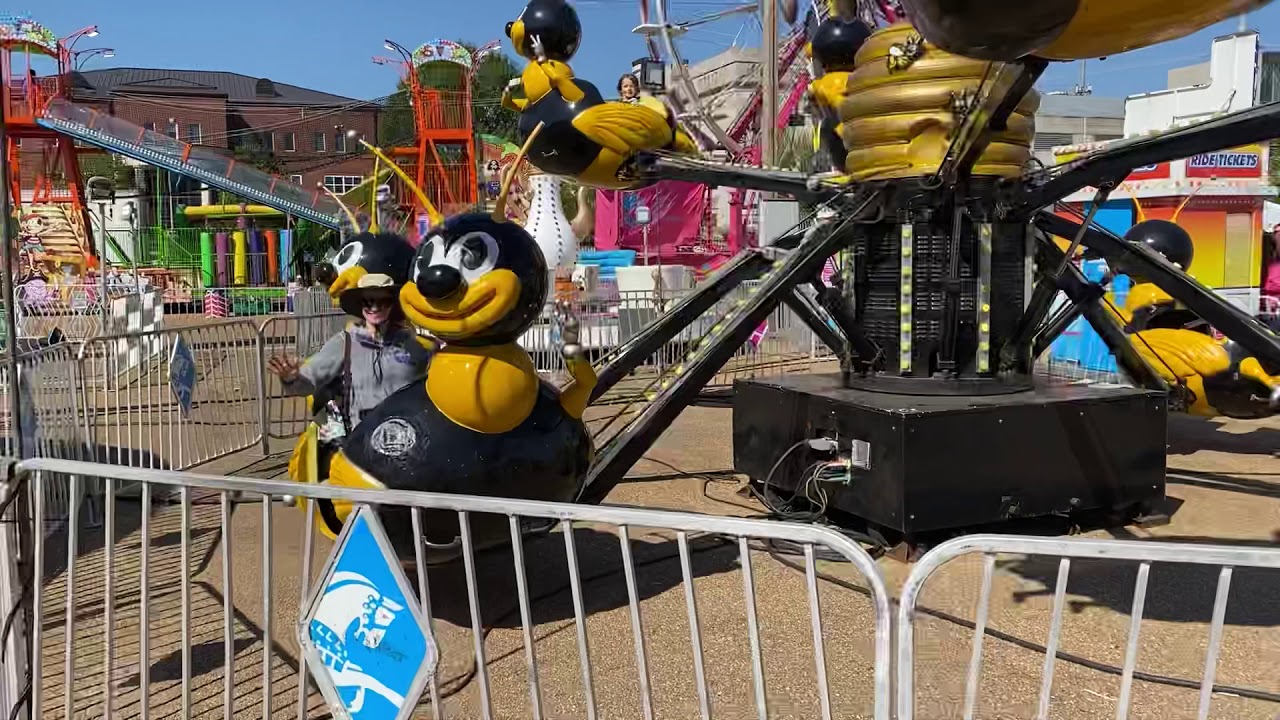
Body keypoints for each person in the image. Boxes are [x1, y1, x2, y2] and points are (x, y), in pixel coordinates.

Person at [268, 271, 433, 470]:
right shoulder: (344, 342)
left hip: (405, 445)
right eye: (368, 302)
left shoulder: (412, 345)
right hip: (359, 444)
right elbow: (308, 383)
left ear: (393, 304)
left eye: (383, 302)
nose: (375, 307)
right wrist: (291, 379)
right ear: (360, 306)